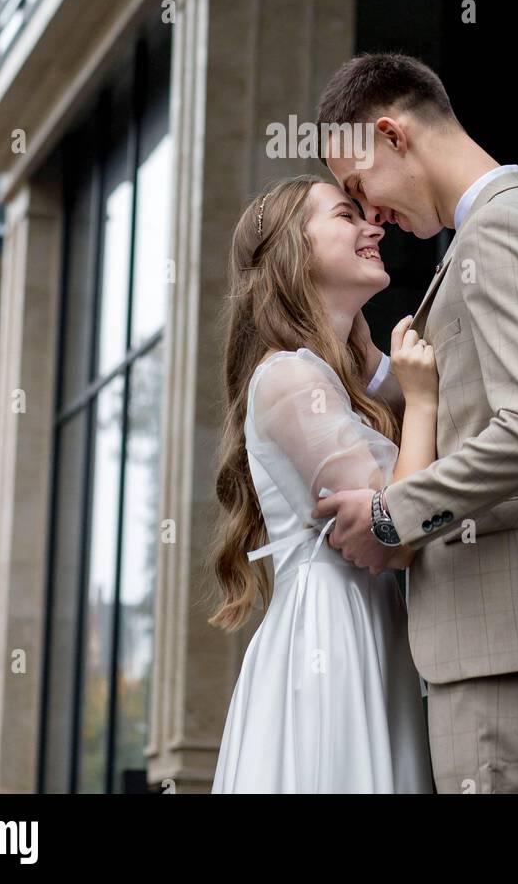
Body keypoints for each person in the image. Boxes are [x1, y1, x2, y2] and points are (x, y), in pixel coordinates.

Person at [313, 51, 518, 794]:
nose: (371, 215)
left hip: (508, 637)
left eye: (359, 186)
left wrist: (392, 515)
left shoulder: (494, 238)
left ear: (394, 135)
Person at [207, 174, 436, 793]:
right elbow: (397, 526)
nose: (373, 227)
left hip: (369, 622)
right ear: (296, 251)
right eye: (345, 214)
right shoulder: (288, 379)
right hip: (333, 633)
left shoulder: (337, 375)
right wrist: (423, 403)